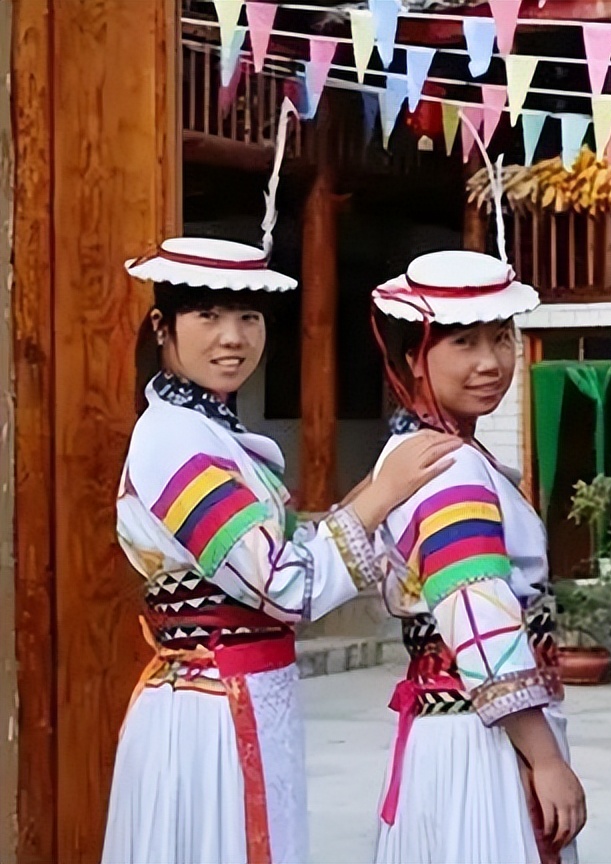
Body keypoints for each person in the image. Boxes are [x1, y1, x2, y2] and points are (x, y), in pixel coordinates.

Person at [105, 100, 458, 864]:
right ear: (163, 329)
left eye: (250, 318)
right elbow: (284, 586)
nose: (233, 337)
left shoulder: (214, 437)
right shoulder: (175, 443)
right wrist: (379, 494)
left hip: (242, 699)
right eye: (207, 316)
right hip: (209, 715)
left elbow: (285, 551)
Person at [368, 135, 585, 864]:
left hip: (460, 728)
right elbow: (479, 618)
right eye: (463, 342)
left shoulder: (430, 451)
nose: (491, 362)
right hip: (480, 736)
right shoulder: (446, 467)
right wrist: (544, 757)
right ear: (412, 356)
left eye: (501, 337)